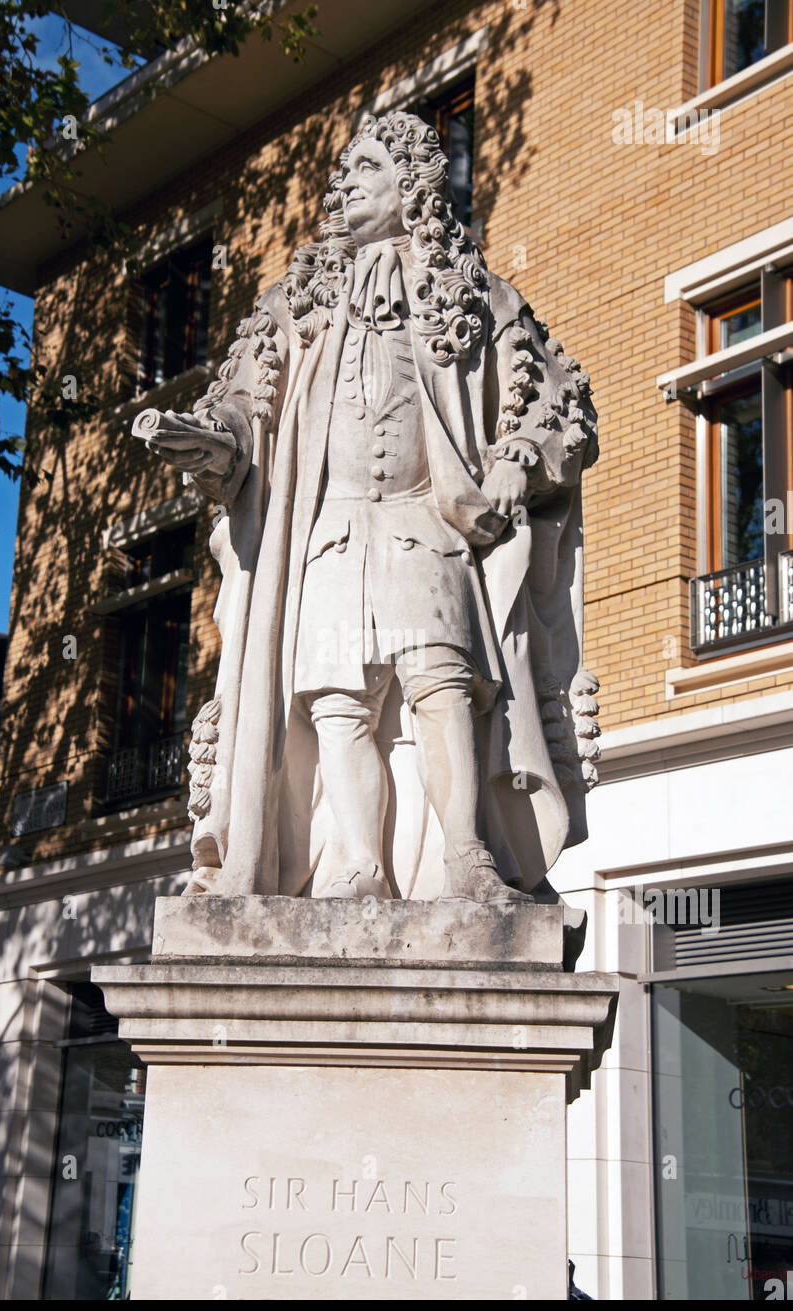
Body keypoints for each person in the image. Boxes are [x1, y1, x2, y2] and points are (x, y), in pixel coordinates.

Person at [139, 110, 600, 904]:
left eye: (367, 171)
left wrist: (518, 461)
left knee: (443, 683)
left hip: (429, 522)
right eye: (342, 174)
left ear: (412, 185)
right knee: (339, 702)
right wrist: (213, 442)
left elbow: (561, 403)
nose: (344, 187)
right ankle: (357, 863)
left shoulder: (475, 295)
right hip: (330, 530)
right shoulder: (296, 301)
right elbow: (245, 404)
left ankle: (467, 856)